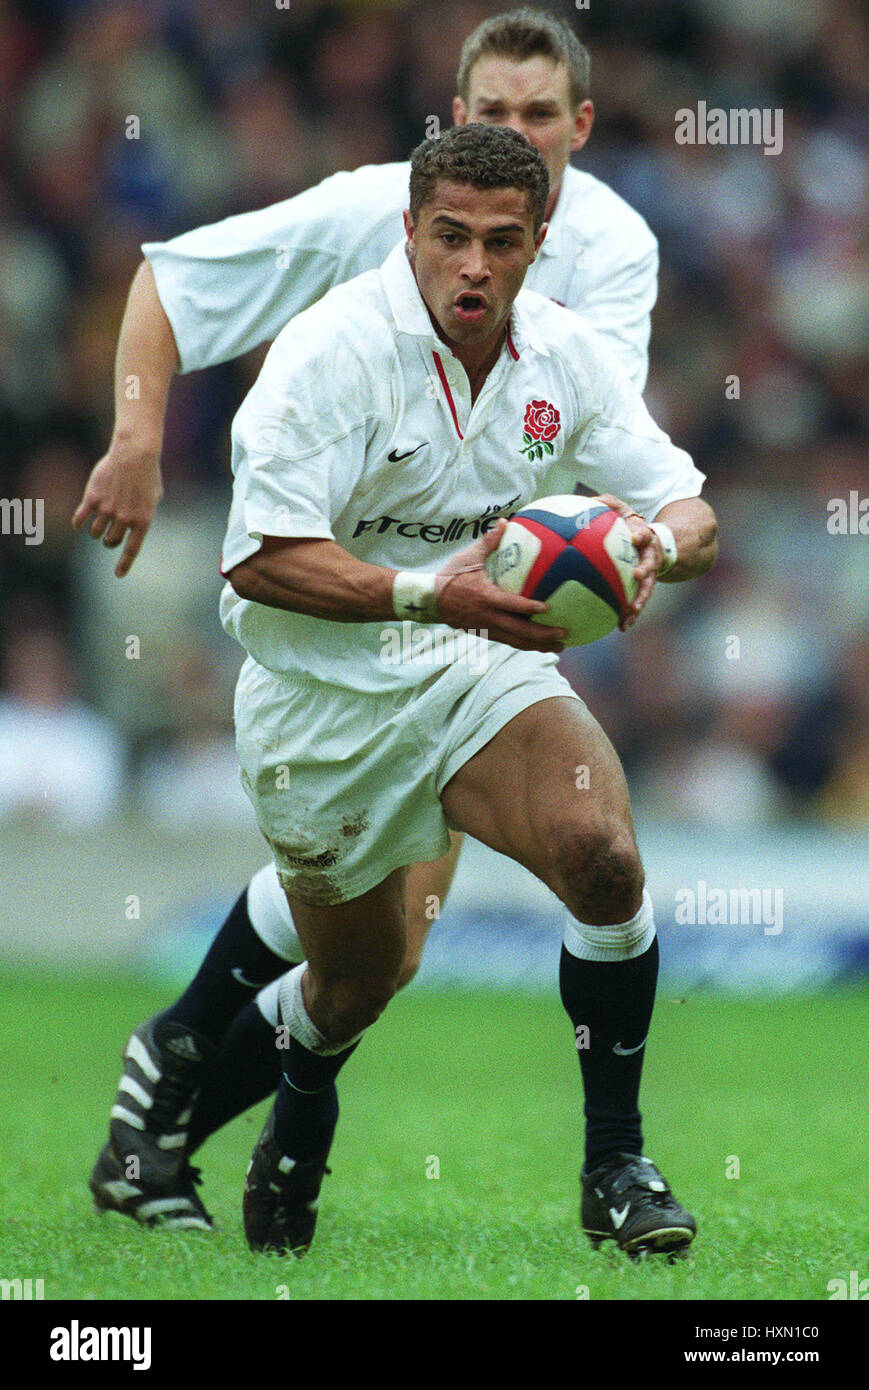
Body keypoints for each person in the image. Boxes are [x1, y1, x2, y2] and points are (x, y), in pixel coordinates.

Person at [82, 10, 665, 1234]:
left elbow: (588, 459)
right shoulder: (365, 213)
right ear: (449, 125)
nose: (514, 133)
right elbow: (170, 285)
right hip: (334, 617)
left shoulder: (609, 251)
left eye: (539, 116)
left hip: (477, 626)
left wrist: (651, 533)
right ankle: (196, 1076)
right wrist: (137, 438)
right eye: (489, 114)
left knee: (526, 884)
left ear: (580, 130)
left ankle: (196, 1086)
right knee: (377, 958)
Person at [220, 123, 716, 1258]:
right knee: (357, 981)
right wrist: (423, 593)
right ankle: (298, 1108)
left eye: (502, 240)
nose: (474, 266)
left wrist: (647, 541)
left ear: (539, 242)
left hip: (475, 662)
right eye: (449, 237)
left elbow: (690, 509)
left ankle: (614, 1163)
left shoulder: (567, 356)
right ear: (409, 232)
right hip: (319, 694)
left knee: (602, 853)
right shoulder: (328, 353)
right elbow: (258, 558)